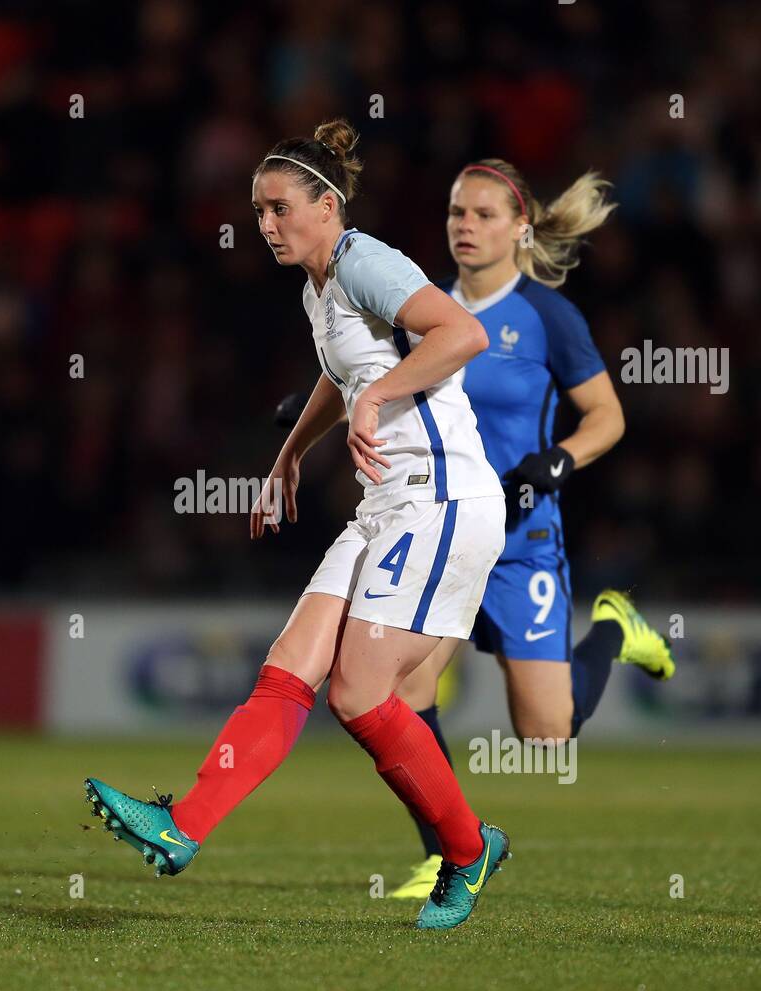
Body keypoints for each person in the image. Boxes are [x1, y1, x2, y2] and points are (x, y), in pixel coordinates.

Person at [85, 120, 511, 929]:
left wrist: (380, 398)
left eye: (280, 208)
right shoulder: (320, 286)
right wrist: (290, 455)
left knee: (357, 693)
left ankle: (467, 849)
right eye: (257, 212)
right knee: (289, 668)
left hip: (442, 497)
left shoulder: (364, 260)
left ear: (328, 206)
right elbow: (340, 375)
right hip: (388, 503)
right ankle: (182, 828)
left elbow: (465, 333)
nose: (267, 225)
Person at [384, 160, 675, 899]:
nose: (465, 227)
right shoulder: (422, 310)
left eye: (484, 215)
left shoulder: (547, 316)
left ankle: (613, 626)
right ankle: (452, 851)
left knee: (547, 736)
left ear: (520, 227)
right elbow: (382, 388)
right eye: (457, 212)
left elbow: (608, 416)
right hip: (445, 530)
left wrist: (559, 460)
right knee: (402, 687)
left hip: (520, 539)